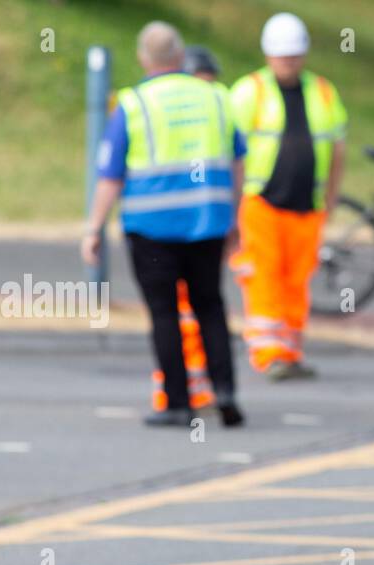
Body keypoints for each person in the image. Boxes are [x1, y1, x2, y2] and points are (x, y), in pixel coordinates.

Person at [82, 21, 245, 428]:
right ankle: (224, 392)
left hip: (151, 228)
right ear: (180, 56)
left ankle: (177, 402)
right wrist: (233, 217)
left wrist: (93, 228)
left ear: (143, 58)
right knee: (210, 306)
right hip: (207, 222)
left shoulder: (133, 104)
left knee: (164, 313)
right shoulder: (217, 98)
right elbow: (238, 161)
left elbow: (110, 175)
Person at [229, 12, 347, 381]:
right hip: (261, 202)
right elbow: (230, 152)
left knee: (297, 280)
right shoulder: (249, 90)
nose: (288, 62)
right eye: (282, 56)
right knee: (264, 276)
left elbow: (338, 148)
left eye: (294, 56)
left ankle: (290, 349)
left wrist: (330, 197)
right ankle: (268, 352)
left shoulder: (323, 91)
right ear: (268, 55)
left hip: (307, 207)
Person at [149, 44, 229, 417]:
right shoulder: (213, 105)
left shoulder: (163, 104)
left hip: (173, 225)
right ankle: (211, 392)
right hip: (203, 224)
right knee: (203, 309)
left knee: (180, 311)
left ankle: (186, 397)